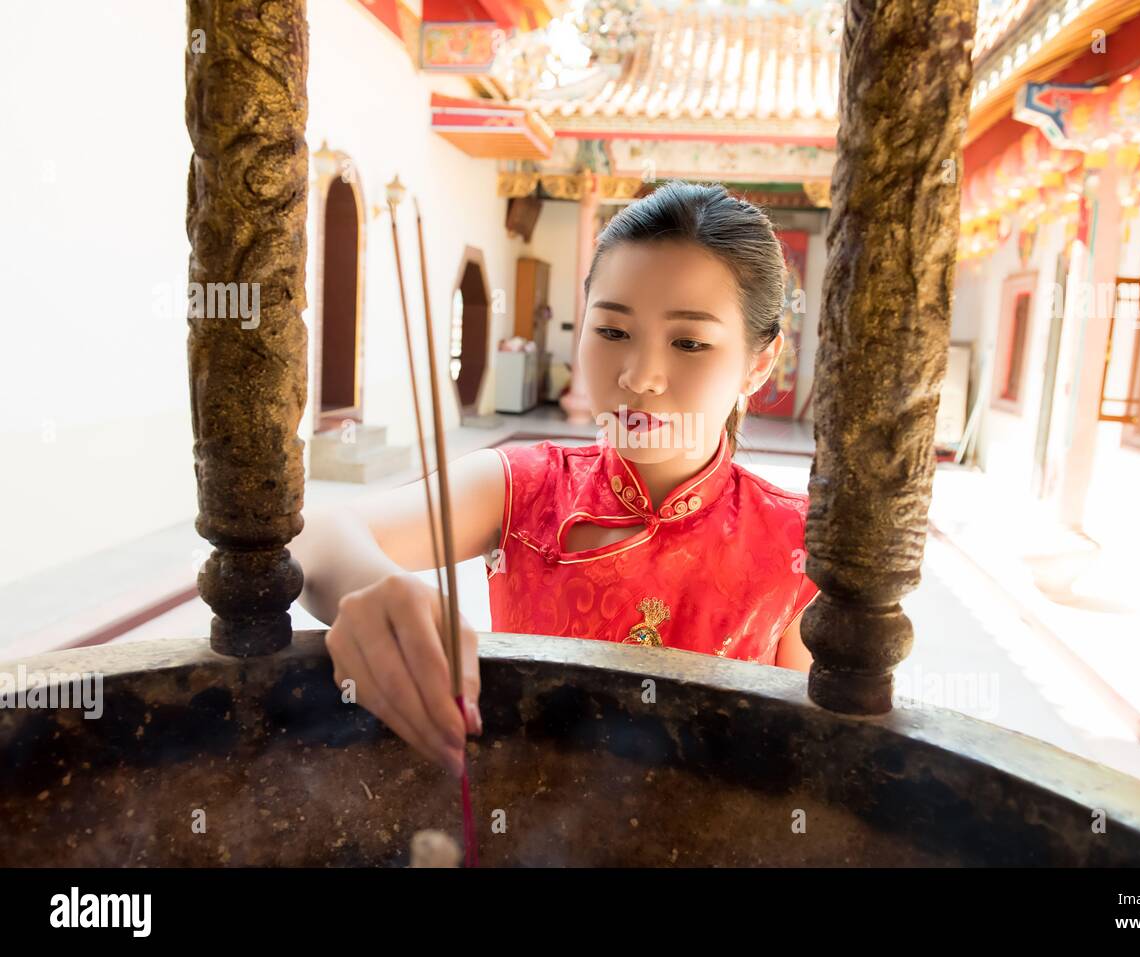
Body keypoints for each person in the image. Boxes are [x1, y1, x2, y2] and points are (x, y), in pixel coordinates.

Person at [290, 181, 820, 777]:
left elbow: (803, 742)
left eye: (690, 342)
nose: (641, 376)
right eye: (613, 332)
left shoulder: (798, 540)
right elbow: (317, 537)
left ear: (758, 363)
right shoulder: (525, 487)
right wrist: (372, 589)